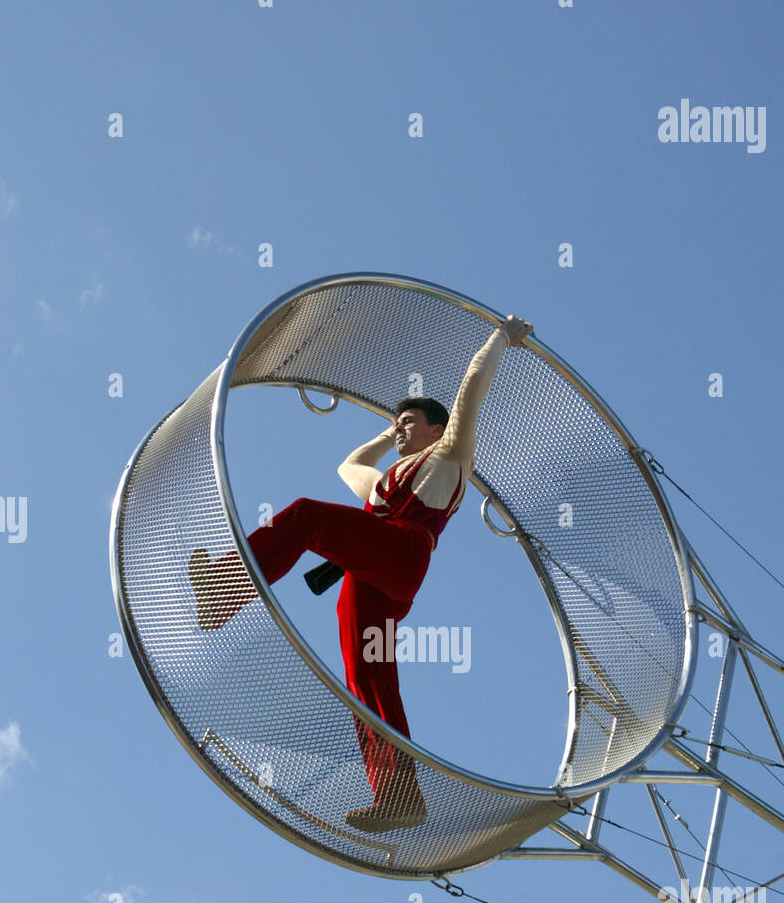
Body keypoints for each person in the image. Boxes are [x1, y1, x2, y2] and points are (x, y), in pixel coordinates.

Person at [189, 312, 533, 832]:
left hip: (401, 552)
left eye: (411, 421)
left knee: (305, 515)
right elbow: (347, 465)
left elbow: (471, 385)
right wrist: (389, 426)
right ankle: (399, 795)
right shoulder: (382, 483)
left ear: (437, 429)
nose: (401, 428)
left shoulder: (450, 456)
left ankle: (224, 589)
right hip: (369, 576)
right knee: (367, 681)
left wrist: (501, 338)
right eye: (398, 422)